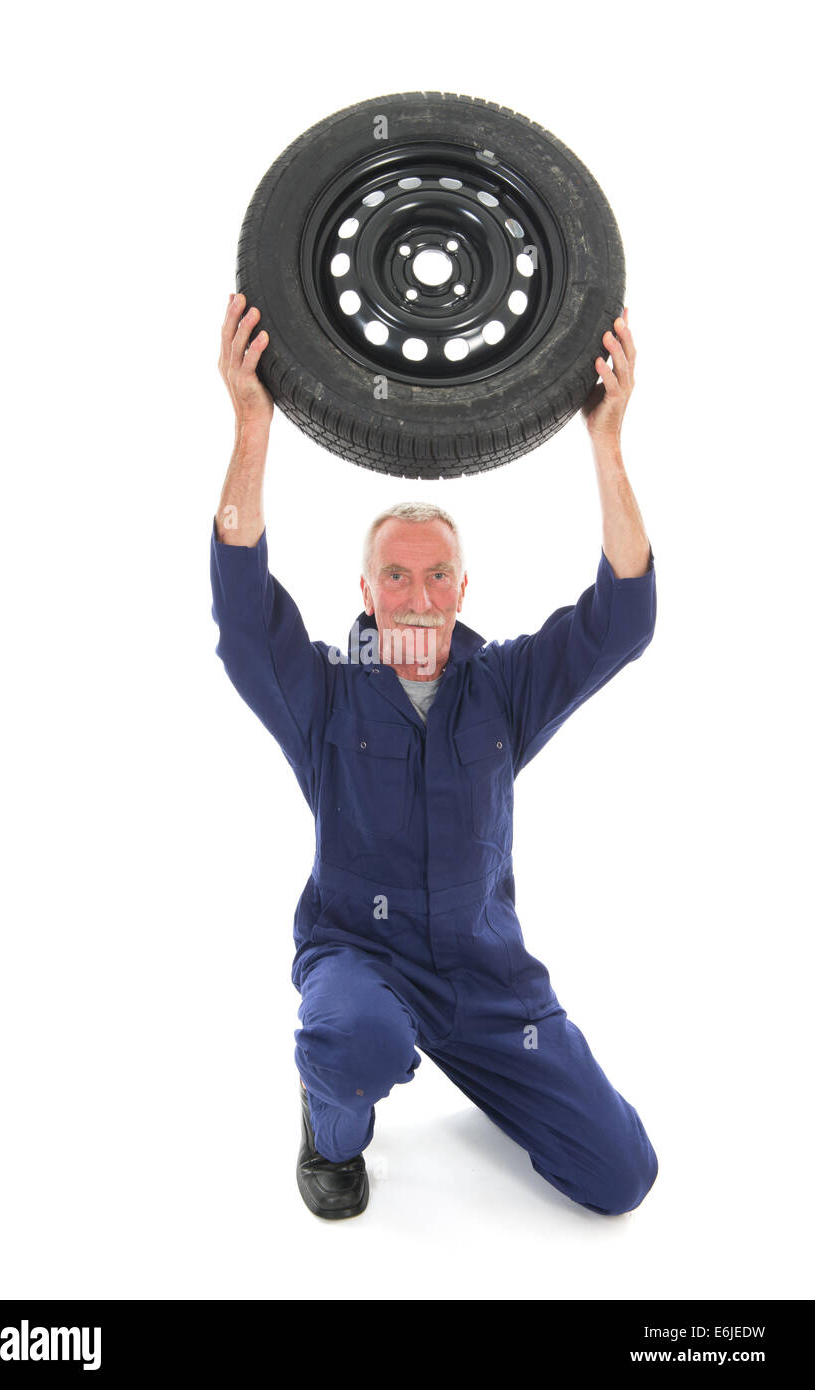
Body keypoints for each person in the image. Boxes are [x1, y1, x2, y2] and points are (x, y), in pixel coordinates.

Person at [211, 292, 658, 1221]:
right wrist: (252, 423)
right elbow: (245, 615)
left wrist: (605, 443)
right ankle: (330, 1121)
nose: (419, 595)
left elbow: (622, 619)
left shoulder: (503, 685)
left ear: (463, 585)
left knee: (621, 1179)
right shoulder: (325, 692)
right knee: (354, 1041)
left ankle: (487, 1073)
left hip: (489, 980)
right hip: (359, 958)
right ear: (367, 592)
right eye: (398, 575)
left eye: (438, 572)